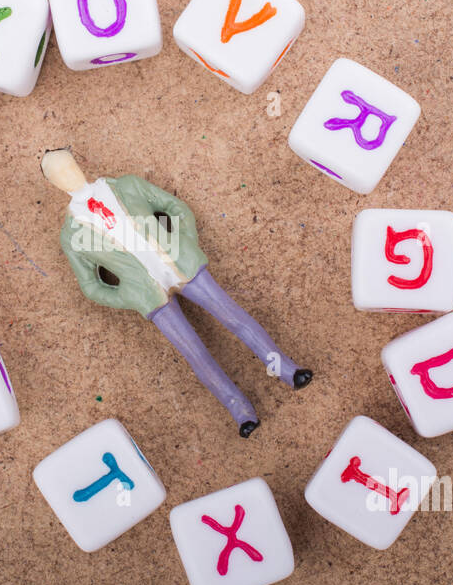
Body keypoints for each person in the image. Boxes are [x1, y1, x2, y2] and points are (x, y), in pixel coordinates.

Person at [42, 149, 311, 436]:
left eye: (67, 165)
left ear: (78, 163)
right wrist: (129, 297)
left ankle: (286, 370)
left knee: (234, 317)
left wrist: (185, 247)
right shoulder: (71, 235)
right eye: (58, 174)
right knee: (194, 352)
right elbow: (91, 286)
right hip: (149, 295)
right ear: (54, 185)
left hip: (183, 266)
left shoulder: (128, 185)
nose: (67, 175)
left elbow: (175, 208)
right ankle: (240, 410)